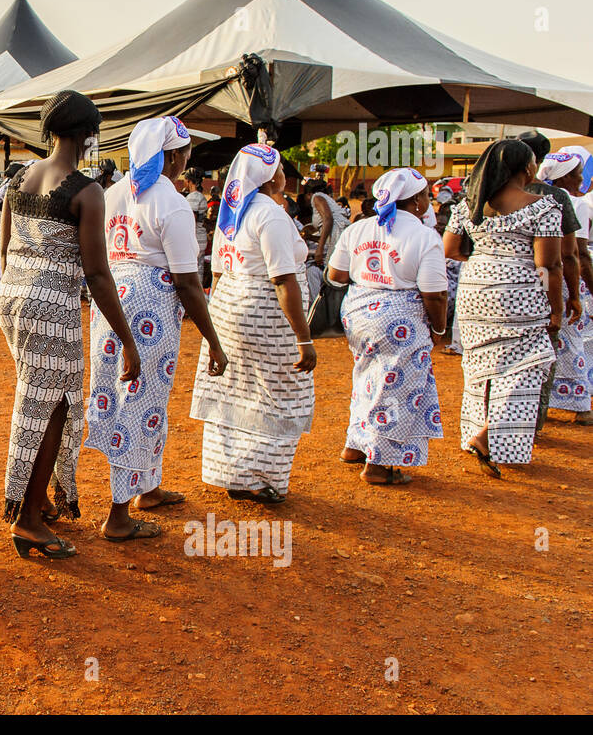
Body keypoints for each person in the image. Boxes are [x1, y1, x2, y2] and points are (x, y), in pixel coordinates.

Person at [0, 90, 140, 558]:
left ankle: (41, 502)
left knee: (36, 399)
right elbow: (97, 274)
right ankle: (28, 519)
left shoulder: (18, 178)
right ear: (88, 135)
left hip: (13, 298)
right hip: (51, 307)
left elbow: (3, 249)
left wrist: (20, 288)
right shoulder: (87, 190)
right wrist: (128, 341)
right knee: (52, 407)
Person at [86, 118, 228, 539]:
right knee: (140, 404)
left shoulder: (112, 194)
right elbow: (187, 281)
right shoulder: (172, 202)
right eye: (186, 152)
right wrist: (214, 342)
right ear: (172, 156)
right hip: (149, 307)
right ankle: (118, 516)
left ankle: (146, 488)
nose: (188, 159)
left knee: (126, 397)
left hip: (111, 302)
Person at [190, 143, 316, 504]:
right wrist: (303, 339)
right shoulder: (269, 214)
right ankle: (258, 477)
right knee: (276, 392)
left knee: (236, 390)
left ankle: (233, 472)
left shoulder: (233, 212)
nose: (284, 176)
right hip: (266, 315)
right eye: (279, 169)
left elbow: (216, 268)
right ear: (268, 175)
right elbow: (283, 280)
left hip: (228, 308)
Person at [445, 139, 563, 477]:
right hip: (519, 292)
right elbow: (549, 265)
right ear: (527, 168)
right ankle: (491, 436)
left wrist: (487, 264)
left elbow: (450, 248)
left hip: (474, 290)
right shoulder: (543, 206)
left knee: (481, 366)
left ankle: (478, 432)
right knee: (529, 363)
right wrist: (555, 309)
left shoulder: (467, 204)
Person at [328, 168, 449, 485]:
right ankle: (379, 464)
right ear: (418, 202)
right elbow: (434, 294)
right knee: (396, 388)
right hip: (400, 321)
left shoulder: (359, 229)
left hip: (357, 312)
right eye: (426, 195)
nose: (428, 200)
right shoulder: (424, 236)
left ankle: (355, 445)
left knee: (367, 375)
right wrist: (439, 330)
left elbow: (336, 275)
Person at [535, 146, 593, 425]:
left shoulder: (534, 198)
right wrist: (582, 292)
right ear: (563, 178)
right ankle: (580, 405)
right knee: (573, 342)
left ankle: (541, 402)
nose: (581, 180)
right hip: (565, 280)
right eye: (578, 175)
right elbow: (577, 254)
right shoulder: (575, 203)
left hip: (539, 280)